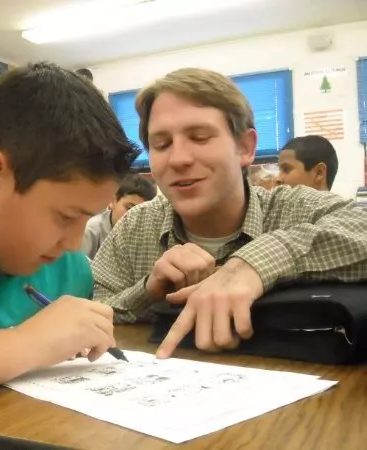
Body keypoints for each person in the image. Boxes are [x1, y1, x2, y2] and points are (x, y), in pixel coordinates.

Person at [92, 67, 367, 361]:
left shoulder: (293, 208)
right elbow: (95, 310)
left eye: (199, 137)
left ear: (245, 147)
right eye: (162, 144)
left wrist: (255, 264)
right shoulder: (136, 225)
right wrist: (149, 290)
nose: (179, 159)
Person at [0, 62, 139, 413]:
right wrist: (28, 343)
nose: (72, 245)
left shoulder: (69, 269)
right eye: (65, 217)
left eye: (87, 219)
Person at [82, 173, 157, 258]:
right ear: (112, 201)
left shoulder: (146, 235)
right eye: (129, 208)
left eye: (141, 212)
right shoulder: (90, 230)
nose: (133, 215)